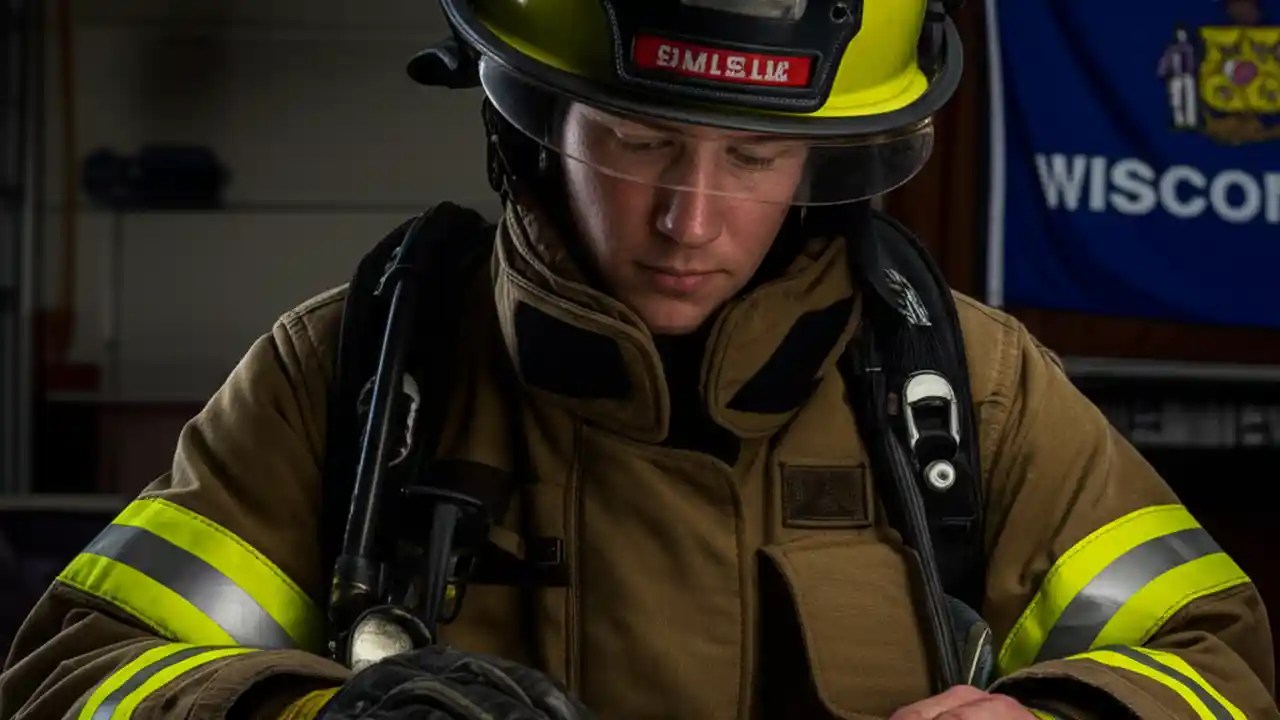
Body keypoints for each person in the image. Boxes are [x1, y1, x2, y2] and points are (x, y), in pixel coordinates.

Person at [2, 1, 1277, 719]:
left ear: (826, 165)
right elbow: (76, 677)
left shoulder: (969, 386)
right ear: (536, 123)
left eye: (753, 160)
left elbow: (1211, 658)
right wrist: (317, 719)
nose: (689, 219)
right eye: (641, 142)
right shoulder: (346, 369)